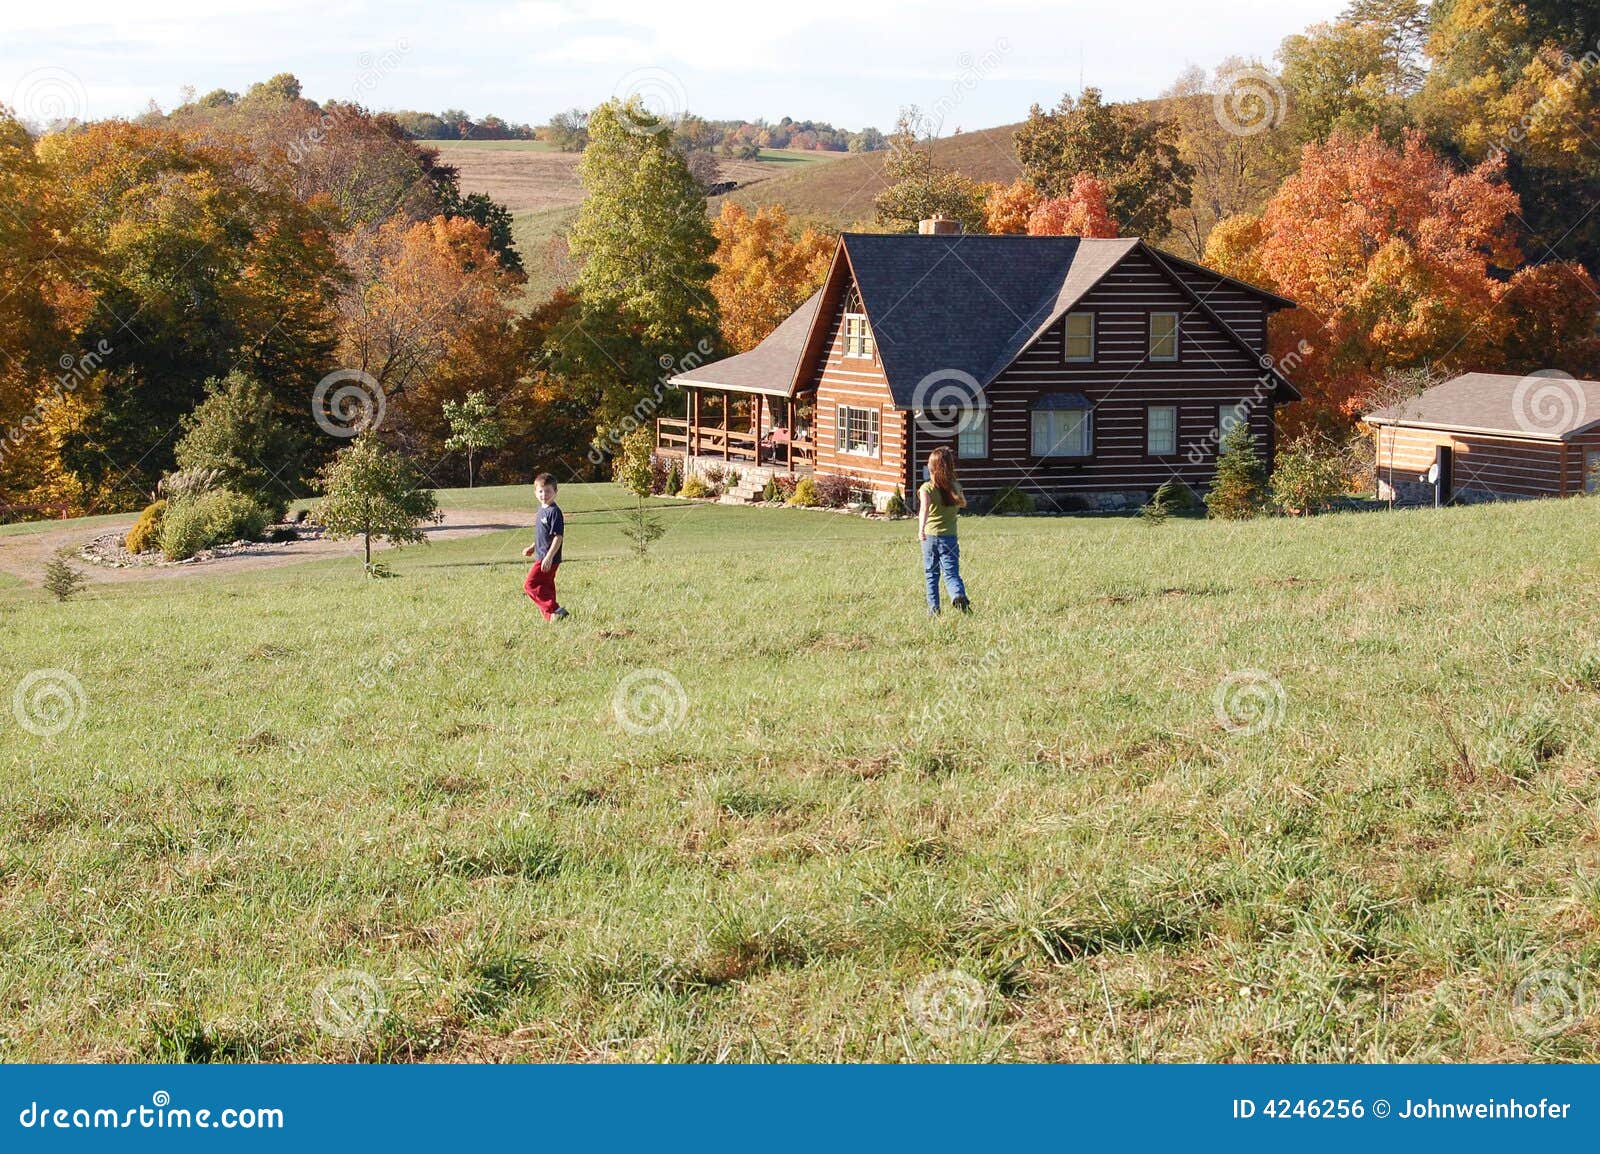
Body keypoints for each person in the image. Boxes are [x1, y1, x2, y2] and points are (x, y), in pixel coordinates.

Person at [917, 447, 970, 615]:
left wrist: (921, 530)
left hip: (930, 537)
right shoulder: (956, 486)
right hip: (950, 538)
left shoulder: (927, 488)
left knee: (931, 574)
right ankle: (957, 594)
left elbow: (924, 510)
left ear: (932, 467)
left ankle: (934, 610)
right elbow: (963, 503)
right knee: (951, 572)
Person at [522, 474, 569, 622]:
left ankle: (555, 609)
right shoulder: (542, 510)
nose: (544, 495)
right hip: (541, 555)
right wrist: (532, 547)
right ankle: (552, 618)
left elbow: (557, 537)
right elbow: (543, 535)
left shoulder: (554, 512)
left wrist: (549, 557)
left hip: (548, 558)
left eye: (548, 491)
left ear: (555, 492)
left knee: (530, 585)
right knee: (546, 586)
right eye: (541, 491)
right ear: (535, 492)